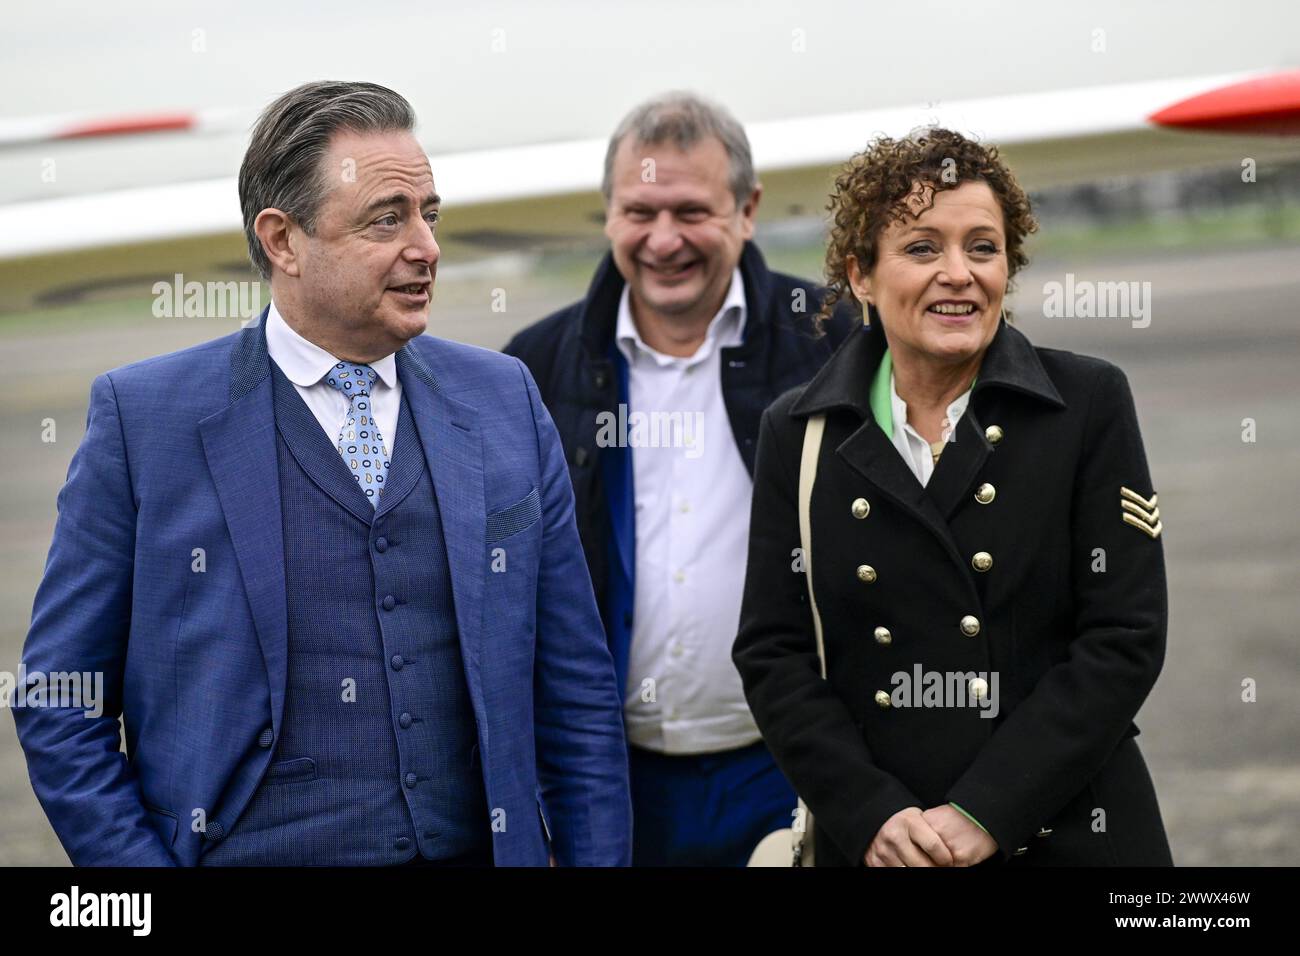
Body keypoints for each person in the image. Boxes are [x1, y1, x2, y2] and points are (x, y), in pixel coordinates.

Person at [13, 81, 631, 867]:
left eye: (428, 214)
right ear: (283, 240)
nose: (427, 247)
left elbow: (576, 690)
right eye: (387, 219)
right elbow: (58, 699)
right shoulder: (145, 422)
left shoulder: (504, 399)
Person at [733, 128, 1173, 867]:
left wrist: (988, 809)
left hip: (1063, 828)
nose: (958, 273)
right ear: (861, 276)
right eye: (922, 248)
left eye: (982, 247)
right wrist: (869, 814)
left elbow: (1123, 639)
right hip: (885, 846)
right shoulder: (798, 430)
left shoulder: (1087, 402)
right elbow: (773, 653)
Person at [504, 92, 855, 865]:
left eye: (691, 211)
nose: (664, 240)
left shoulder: (838, 344)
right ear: (608, 215)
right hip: (612, 783)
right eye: (640, 211)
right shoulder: (531, 368)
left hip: (791, 765)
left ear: (747, 209)